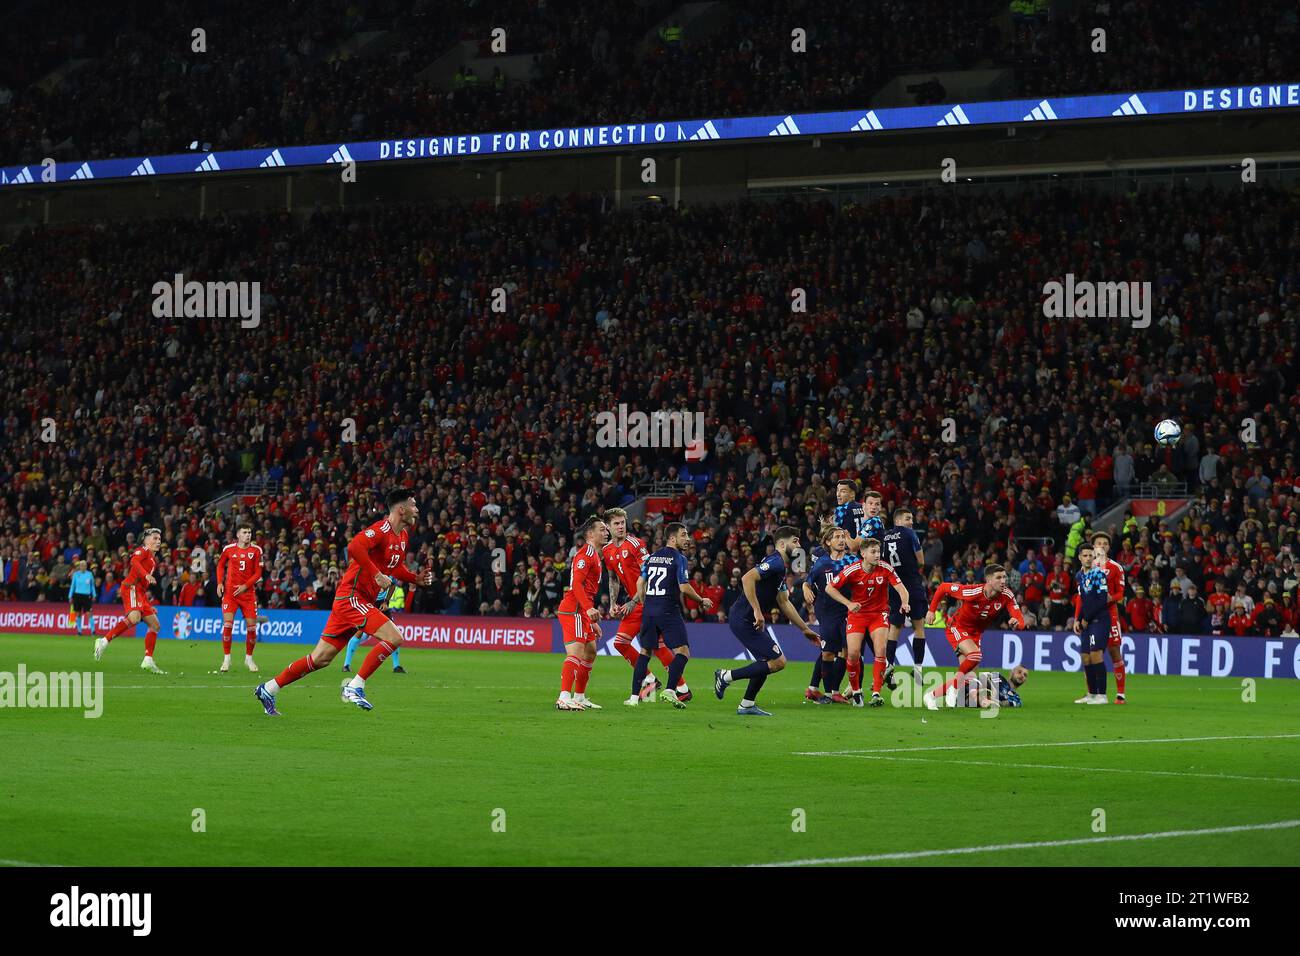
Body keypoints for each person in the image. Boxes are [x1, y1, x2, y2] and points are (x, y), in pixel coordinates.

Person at [253, 491, 432, 716]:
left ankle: (268, 689)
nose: (417, 510)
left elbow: (394, 567)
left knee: (320, 659)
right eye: (413, 505)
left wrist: (414, 578)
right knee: (395, 637)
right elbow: (354, 547)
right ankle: (354, 685)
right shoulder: (381, 529)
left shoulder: (402, 536)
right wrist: (376, 574)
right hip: (352, 597)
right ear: (401, 509)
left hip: (356, 601)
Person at [714, 526, 820, 716]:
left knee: (765, 661)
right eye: (794, 541)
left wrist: (805, 629)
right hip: (743, 618)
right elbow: (747, 578)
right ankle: (726, 676)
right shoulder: (776, 562)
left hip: (748, 619)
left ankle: (747, 704)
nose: (799, 545)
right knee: (778, 661)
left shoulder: (781, 568)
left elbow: (783, 602)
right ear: (781, 544)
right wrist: (757, 611)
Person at [623, 522, 712, 708]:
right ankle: (671, 690)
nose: (687, 539)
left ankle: (632, 699)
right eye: (683, 535)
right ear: (672, 538)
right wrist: (701, 600)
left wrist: (645, 602)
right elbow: (684, 587)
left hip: (649, 611)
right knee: (683, 652)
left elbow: (640, 583)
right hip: (668, 610)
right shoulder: (679, 558)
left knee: (644, 653)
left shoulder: (652, 557)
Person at [604, 507, 687, 700]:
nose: (620, 527)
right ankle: (664, 683)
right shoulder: (608, 550)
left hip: (647, 600)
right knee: (625, 644)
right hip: (634, 601)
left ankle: (667, 685)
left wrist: (633, 601)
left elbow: (649, 573)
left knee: (641, 645)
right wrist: (613, 603)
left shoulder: (635, 544)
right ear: (608, 527)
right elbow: (613, 578)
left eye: (622, 523)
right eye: (616, 523)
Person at [923, 565, 1025, 709]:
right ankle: (954, 688)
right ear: (988, 580)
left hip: (975, 635)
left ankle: (931, 696)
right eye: (998, 577)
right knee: (975, 656)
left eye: (1004, 577)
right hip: (957, 628)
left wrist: (1017, 623)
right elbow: (944, 587)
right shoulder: (973, 591)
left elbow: (1020, 619)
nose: (1003, 581)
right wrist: (931, 610)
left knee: (968, 677)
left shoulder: (1007, 595)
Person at [824, 538, 910, 707]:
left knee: (881, 650)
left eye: (878, 551)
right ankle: (856, 691)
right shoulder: (852, 570)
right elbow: (829, 588)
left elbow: (902, 589)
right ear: (863, 554)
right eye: (873, 552)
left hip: (879, 614)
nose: (877, 555)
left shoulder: (886, 568)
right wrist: (848, 603)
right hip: (857, 615)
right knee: (853, 654)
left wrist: (905, 603)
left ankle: (876, 693)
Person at [555, 516, 610, 711]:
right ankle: (563, 697)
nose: (606, 532)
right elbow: (576, 584)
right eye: (602, 530)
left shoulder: (595, 555)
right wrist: (587, 609)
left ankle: (579, 696)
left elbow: (587, 589)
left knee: (591, 651)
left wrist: (590, 618)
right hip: (574, 610)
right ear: (590, 534)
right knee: (576, 653)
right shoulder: (585, 553)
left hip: (582, 612)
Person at [94, 527, 167, 674]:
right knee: (134, 618)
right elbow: (134, 561)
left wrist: (147, 605)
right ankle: (104, 641)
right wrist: (146, 575)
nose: (158, 541)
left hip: (139, 592)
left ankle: (148, 660)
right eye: (154, 538)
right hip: (130, 587)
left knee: (155, 625)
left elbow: (143, 588)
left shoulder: (153, 560)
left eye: (159, 539)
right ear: (146, 540)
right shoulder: (143, 550)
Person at [801, 524, 854, 703]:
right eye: (837, 537)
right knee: (828, 653)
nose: (841, 540)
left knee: (847, 651)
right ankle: (829, 692)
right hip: (827, 611)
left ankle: (833, 691)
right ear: (828, 542)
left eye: (842, 537)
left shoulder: (852, 561)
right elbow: (808, 581)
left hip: (847, 611)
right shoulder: (822, 563)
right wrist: (805, 588)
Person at [883, 507, 929, 687]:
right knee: (919, 627)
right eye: (908, 518)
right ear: (898, 521)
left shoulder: (885, 537)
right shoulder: (910, 534)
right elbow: (922, 561)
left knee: (894, 627)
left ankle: (889, 668)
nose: (911, 522)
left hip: (893, 587)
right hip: (912, 586)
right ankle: (918, 670)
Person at [215, 523, 267, 673]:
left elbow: (258, 573)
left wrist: (245, 586)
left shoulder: (257, 550)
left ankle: (249, 658)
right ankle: (227, 659)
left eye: (249, 532)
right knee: (228, 625)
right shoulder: (228, 549)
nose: (248, 535)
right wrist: (219, 583)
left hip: (248, 594)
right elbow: (220, 566)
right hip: (230, 594)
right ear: (238, 535)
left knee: (251, 628)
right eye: (245, 532)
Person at [1073, 549, 1112, 704]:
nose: (1088, 558)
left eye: (1091, 555)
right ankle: (1091, 694)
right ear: (1080, 558)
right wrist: (1079, 619)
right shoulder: (1080, 576)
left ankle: (1102, 696)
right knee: (1086, 657)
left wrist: (1086, 619)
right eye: (1085, 555)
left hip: (1099, 621)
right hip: (1087, 621)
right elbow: (1084, 600)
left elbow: (1102, 600)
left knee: (1096, 655)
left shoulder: (1098, 574)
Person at [67, 559, 96, 636]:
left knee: (89, 613)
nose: (83, 567)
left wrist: (94, 595)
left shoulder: (89, 574)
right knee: (78, 613)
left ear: (86, 566)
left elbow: (92, 585)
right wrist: (70, 596)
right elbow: (73, 586)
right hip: (77, 595)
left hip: (87, 596)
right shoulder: (76, 574)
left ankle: (93, 631)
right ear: (79, 566)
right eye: (81, 565)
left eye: (84, 565)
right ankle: (79, 631)